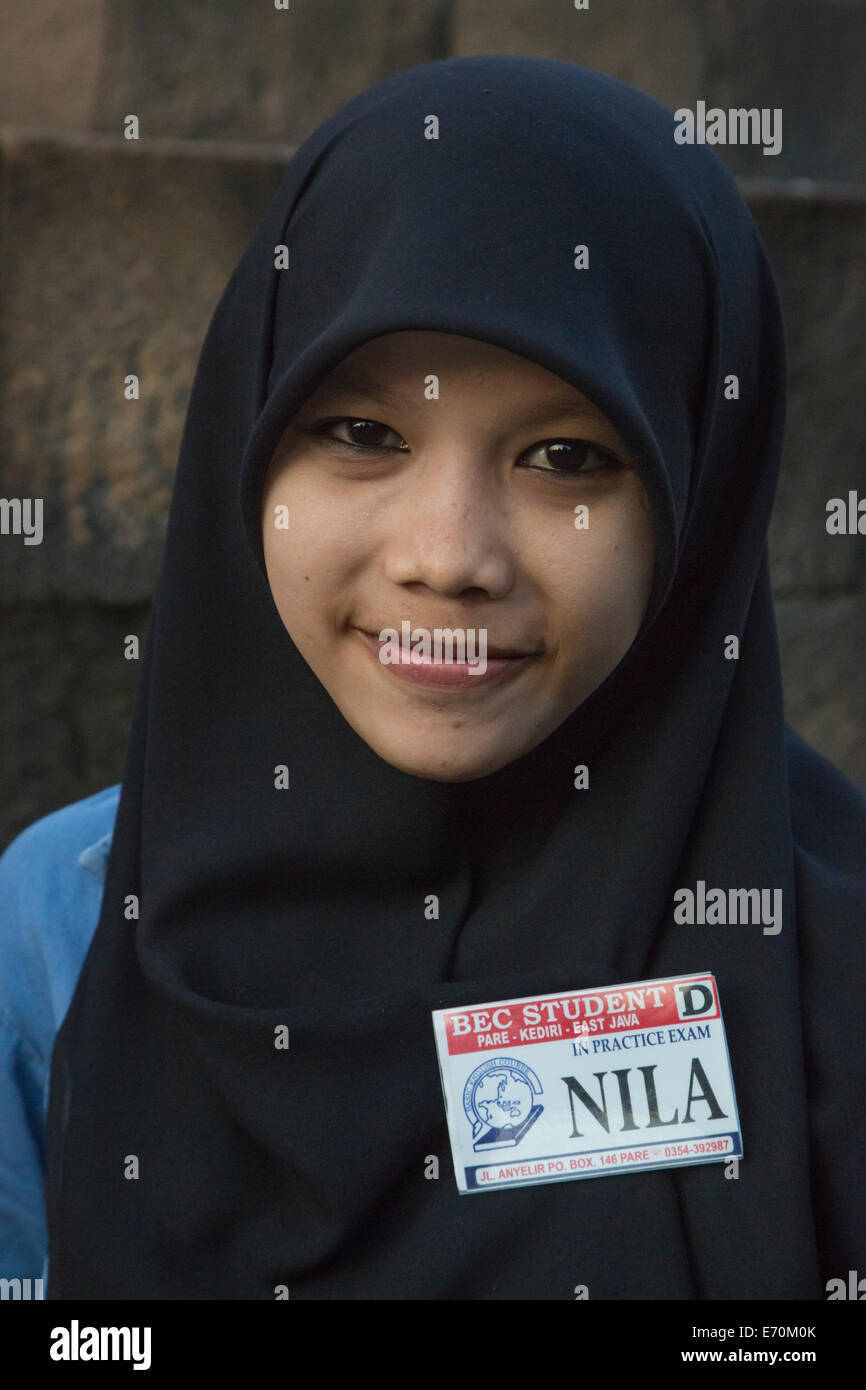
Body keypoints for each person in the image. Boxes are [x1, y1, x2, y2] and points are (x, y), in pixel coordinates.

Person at [1, 54, 863, 1301]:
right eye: (362, 434)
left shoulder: (820, 967)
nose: (446, 557)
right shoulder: (63, 930)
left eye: (566, 457)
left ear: (698, 500)